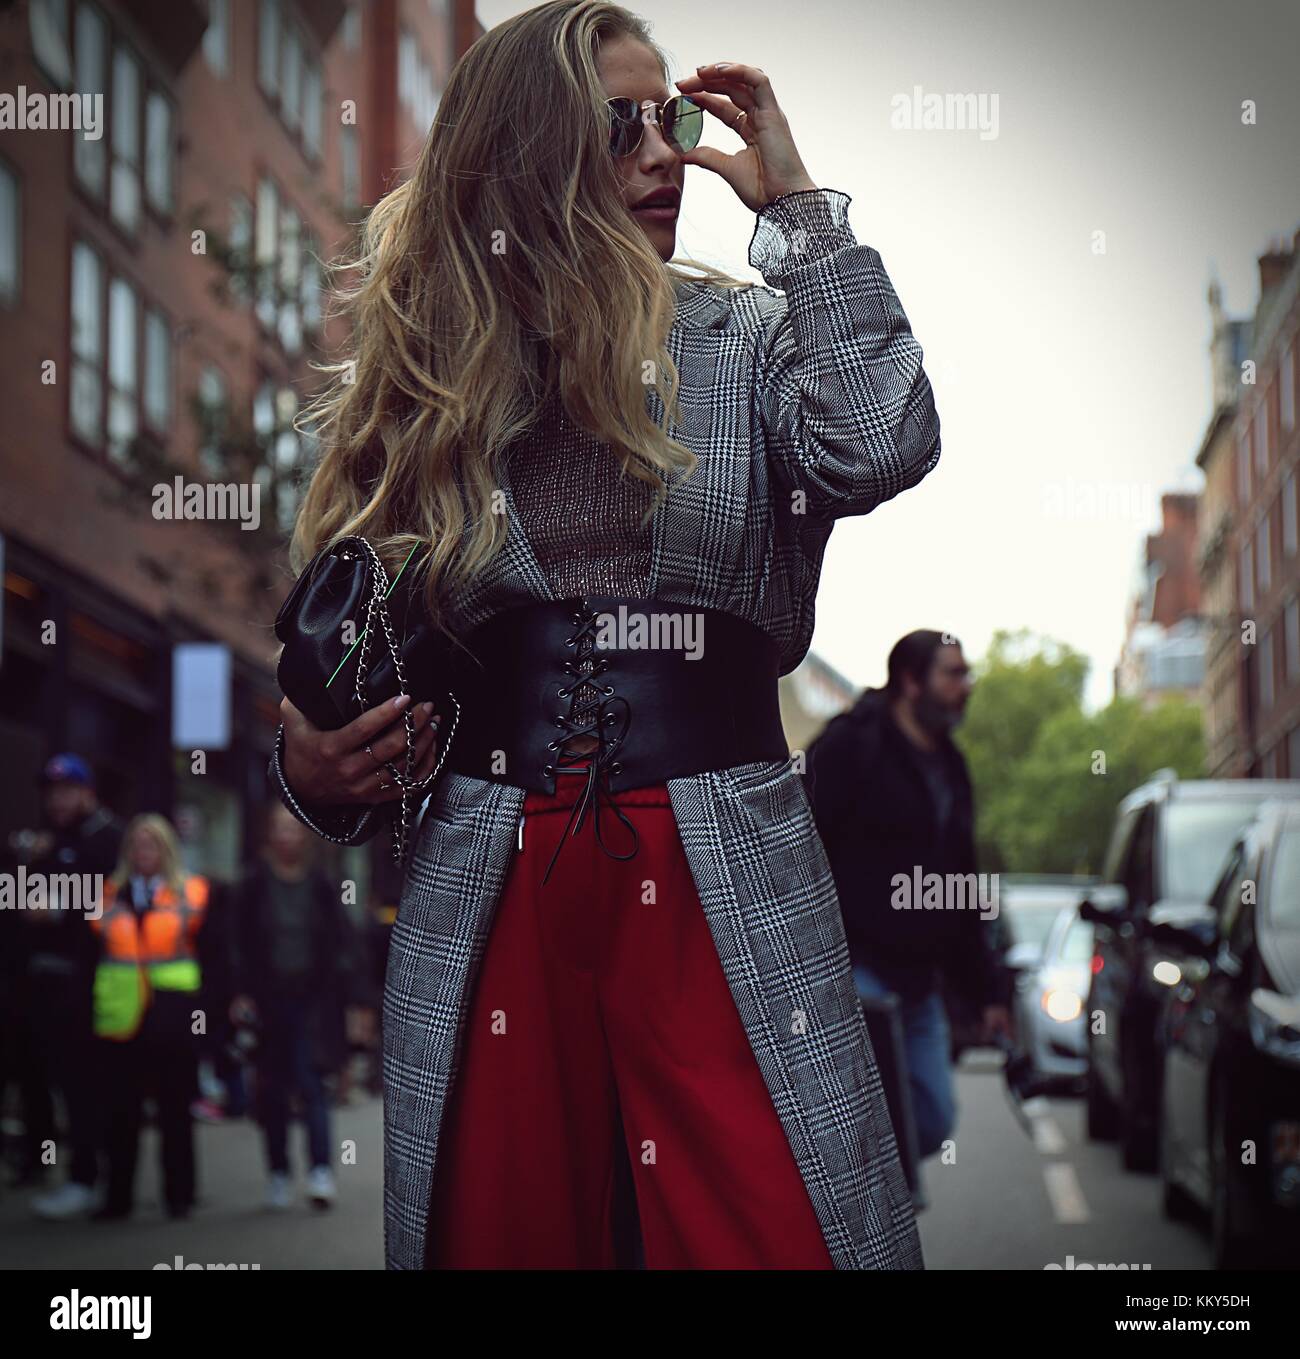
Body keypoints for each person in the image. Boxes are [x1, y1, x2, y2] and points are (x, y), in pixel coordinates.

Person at [273, 1, 942, 1270]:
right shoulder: (432, 379)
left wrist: (796, 209)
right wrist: (309, 775)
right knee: (499, 1241)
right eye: (618, 127)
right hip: (488, 869)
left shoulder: (742, 339)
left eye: (669, 121)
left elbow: (883, 438)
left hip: (719, 858)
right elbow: (347, 652)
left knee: (777, 1234)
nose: (661, 157)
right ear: (526, 153)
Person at [805, 632, 1010, 1166]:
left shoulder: (951, 767)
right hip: (856, 971)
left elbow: (962, 884)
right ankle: (866, 1220)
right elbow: (801, 843)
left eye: (966, 674)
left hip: (919, 980)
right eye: (953, 674)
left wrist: (987, 992)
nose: (966, 687)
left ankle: (877, 1197)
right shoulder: (852, 745)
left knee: (933, 1119)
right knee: (862, 1118)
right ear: (911, 681)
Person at [229, 803, 367, 1211]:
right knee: (271, 1088)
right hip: (268, 1000)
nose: (287, 836)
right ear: (268, 835)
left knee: (312, 1083)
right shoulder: (252, 884)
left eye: (293, 828)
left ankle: (321, 1170)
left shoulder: (322, 885)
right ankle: (277, 1173)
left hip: (313, 1000)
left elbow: (345, 944)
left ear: (305, 834)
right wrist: (239, 992)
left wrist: (356, 1002)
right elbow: (235, 943)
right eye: (279, 828)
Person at [90, 815, 209, 1220]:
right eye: (137, 846)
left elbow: (209, 955)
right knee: (120, 1112)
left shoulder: (190, 892)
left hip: (172, 1013)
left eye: (151, 845)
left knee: (175, 1109)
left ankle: (180, 1196)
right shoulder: (108, 894)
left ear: (166, 850)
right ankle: (117, 1198)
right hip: (122, 1016)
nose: (143, 853)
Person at [21, 755, 122, 1219]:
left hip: (90, 982)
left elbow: (108, 904)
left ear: (87, 792)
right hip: (38, 979)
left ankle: (87, 1177)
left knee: (84, 1082)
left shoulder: (108, 840)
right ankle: (38, 1164)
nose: (57, 799)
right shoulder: (45, 840)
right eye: (51, 791)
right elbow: (19, 897)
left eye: (66, 791)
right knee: (43, 1077)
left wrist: (58, 909)